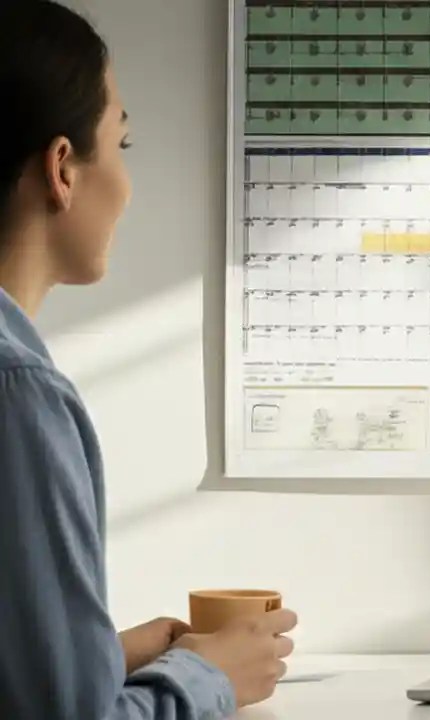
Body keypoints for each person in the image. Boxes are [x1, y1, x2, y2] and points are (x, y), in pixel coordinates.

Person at [0, 3, 297, 718]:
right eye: (122, 143)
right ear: (62, 169)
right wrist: (207, 676)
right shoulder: (19, 393)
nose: (128, 186)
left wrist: (98, 652)